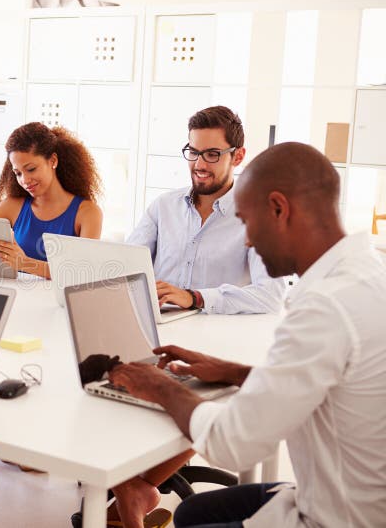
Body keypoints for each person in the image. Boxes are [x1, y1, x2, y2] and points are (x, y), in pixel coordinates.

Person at [109, 142, 386, 527]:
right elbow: (330, 383)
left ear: (278, 209)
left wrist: (160, 386)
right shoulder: (365, 271)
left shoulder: (323, 305)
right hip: (352, 492)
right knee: (191, 511)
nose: (248, 241)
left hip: (341, 516)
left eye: (247, 223)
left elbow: (233, 444)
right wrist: (235, 372)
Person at [126, 106, 285, 314]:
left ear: (238, 156)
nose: (199, 164)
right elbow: (126, 267)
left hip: (212, 339)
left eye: (212, 154)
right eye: (193, 152)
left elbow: (270, 296)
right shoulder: (163, 207)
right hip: (156, 328)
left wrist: (195, 298)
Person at [0, 121, 103, 279]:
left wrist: (25, 263)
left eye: (31, 169)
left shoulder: (87, 213)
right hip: (18, 296)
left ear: (53, 161)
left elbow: (81, 274)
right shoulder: (12, 205)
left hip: (60, 302)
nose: (24, 180)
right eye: (18, 173)